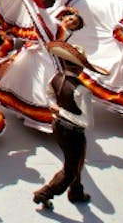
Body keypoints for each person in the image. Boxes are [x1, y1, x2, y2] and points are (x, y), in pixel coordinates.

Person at [33, 42, 106, 209]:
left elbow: (49, 95)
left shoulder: (56, 78)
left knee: (75, 162)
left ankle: (76, 191)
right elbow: (87, 122)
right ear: (81, 68)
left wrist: (55, 108)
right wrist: (61, 111)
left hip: (57, 126)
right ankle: (44, 194)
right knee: (70, 169)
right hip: (73, 133)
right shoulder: (82, 91)